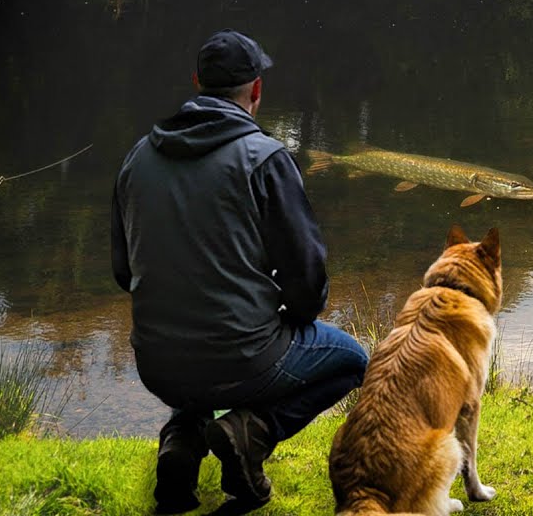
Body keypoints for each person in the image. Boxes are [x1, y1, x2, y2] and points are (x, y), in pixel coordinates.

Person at [112, 29, 368, 514]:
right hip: (240, 360)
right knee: (354, 360)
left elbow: (124, 273)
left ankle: (181, 442)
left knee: (200, 332)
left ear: (196, 83)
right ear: (256, 90)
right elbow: (307, 281)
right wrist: (288, 314)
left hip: (157, 363)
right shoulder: (265, 158)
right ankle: (251, 432)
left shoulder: (137, 157)